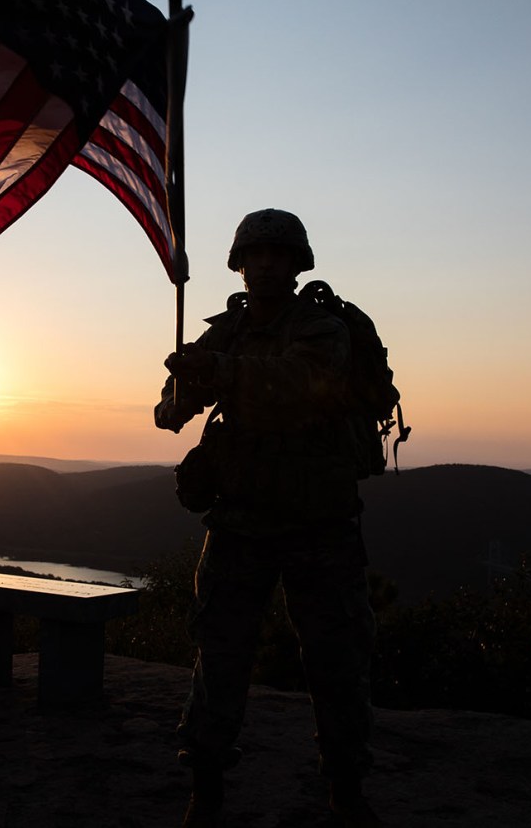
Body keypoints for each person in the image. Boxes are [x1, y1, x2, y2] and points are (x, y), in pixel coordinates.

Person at [156, 208, 381, 827]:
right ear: (240, 263)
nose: (265, 264)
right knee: (220, 657)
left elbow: (302, 382)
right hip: (242, 520)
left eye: (278, 255)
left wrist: (218, 370)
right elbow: (169, 409)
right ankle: (206, 786)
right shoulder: (225, 331)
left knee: (335, 662)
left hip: (319, 523)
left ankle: (346, 787)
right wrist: (179, 393)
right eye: (255, 254)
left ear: (297, 262)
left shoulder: (321, 329)